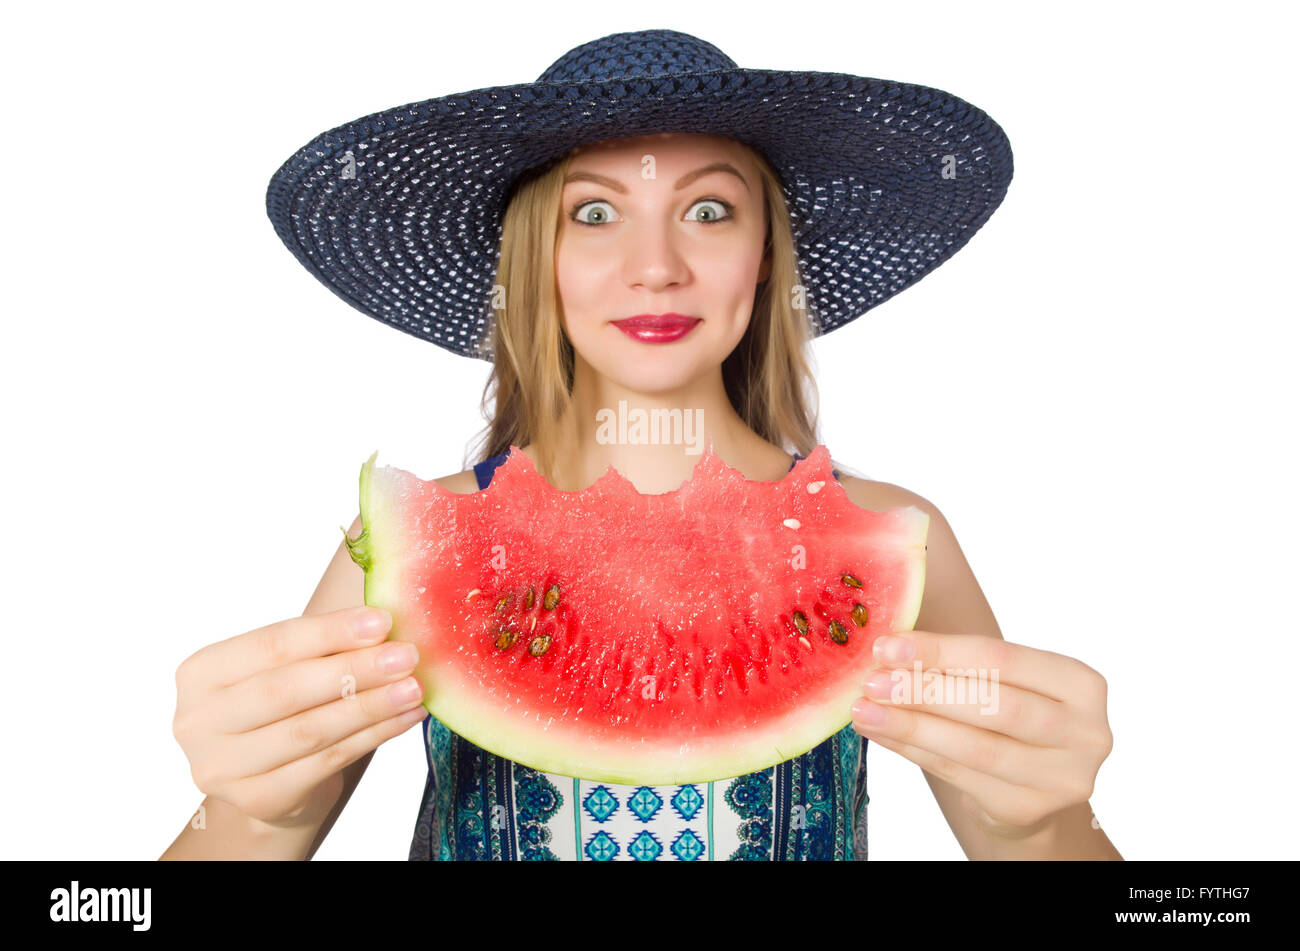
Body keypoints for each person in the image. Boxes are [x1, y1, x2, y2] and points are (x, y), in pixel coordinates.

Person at [163, 29, 1120, 861]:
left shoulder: (896, 541)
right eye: (592, 214)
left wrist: (1042, 826)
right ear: (536, 261)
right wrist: (248, 817)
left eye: (710, 212)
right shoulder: (413, 542)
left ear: (766, 257)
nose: (655, 267)